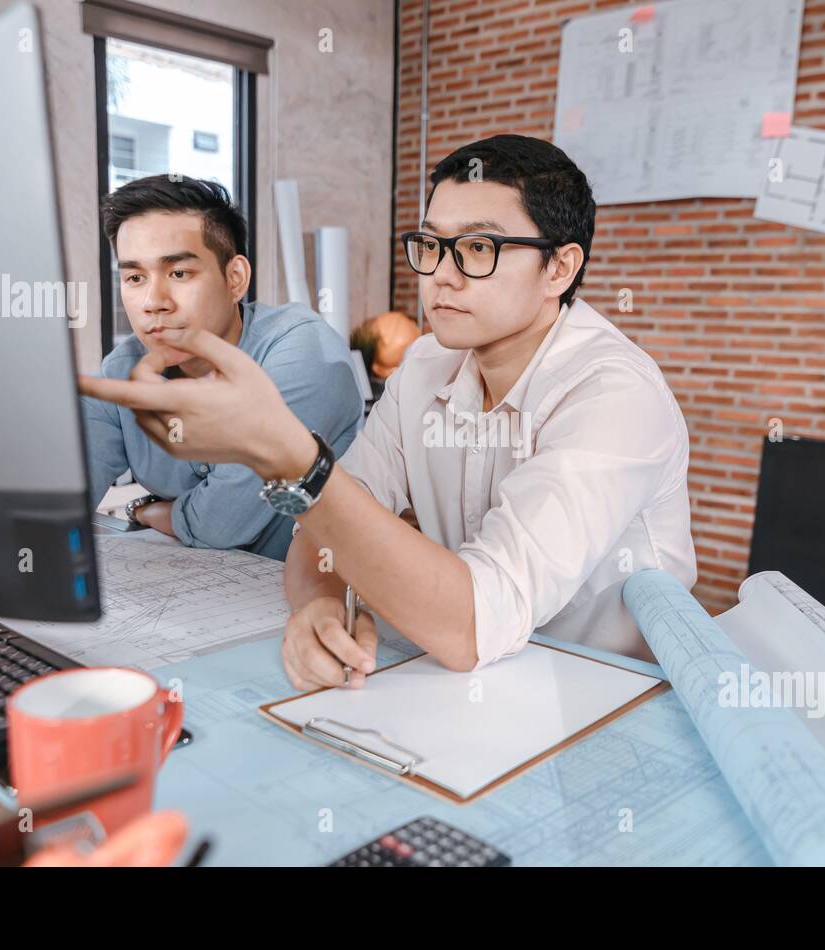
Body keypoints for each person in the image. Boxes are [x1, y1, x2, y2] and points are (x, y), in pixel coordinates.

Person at [80, 136, 696, 687]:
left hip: (603, 694)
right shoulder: (427, 365)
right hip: (466, 684)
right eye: (431, 245)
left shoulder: (613, 394)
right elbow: (324, 525)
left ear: (558, 267)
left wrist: (290, 455)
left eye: (478, 247)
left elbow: (474, 624)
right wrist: (319, 604)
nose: (440, 278)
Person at [84, 174, 363, 559]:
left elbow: (221, 523)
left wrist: (149, 510)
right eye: (134, 277)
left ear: (235, 279)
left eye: (179, 273)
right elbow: (63, 498)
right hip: (199, 606)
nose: (153, 302)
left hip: (321, 603)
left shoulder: (303, 351)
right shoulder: (123, 368)